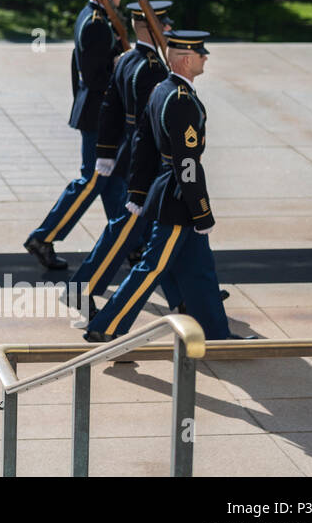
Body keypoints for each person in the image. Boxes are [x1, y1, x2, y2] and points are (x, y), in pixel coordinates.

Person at [84, 31, 250, 342]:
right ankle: (105, 327)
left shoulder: (162, 90)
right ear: (187, 60)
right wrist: (202, 213)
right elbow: (187, 165)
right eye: (201, 54)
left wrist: (137, 192)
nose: (205, 58)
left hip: (168, 191)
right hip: (177, 200)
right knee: (151, 268)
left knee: (201, 273)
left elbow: (143, 144)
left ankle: (217, 334)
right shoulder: (181, 100)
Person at [66, 0, 181, 319]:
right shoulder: (152, 68)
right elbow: (151, 126)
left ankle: (186, 295)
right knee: (126, 231)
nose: (169, 30)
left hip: (129, 158)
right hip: (145, 165)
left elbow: (109, 110)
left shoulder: (128, 59)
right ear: (153, 28)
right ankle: (81, 288)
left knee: (163, 232)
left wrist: (105, 152)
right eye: (165, 25)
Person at [24, 0, 127, 270]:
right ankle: (43, 237)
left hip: (100, 114)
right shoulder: (96, 23)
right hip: (100, 117)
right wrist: (121, 66)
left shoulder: (95, 17)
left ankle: (130, 242)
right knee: (92, 181)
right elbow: (97, 78)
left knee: (114, 182)